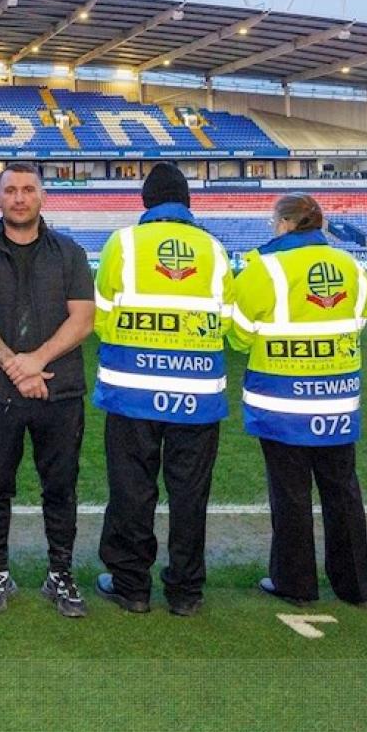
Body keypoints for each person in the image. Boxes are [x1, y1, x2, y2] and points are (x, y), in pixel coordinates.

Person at [0, 162, 96, 618]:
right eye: (10, 190)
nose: (19, 198)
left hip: (60, 391)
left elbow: (83, 318)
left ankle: (61, 574)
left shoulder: (71, 253)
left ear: (42, 196)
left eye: (27, 189)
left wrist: (35, 361)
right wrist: (17, 368)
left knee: (61, 486)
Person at [92, 162, 232, 617]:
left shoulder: (124, 244)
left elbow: (102, 315)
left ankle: (132, 586)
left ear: (145, 202)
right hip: (197, 392)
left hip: (133, 390)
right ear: (187, 201)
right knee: (190, 493)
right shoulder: (214, 249)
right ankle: (186, 591)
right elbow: (225, 321)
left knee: (133, 489)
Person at [229, 192, 367, 607]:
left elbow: (238, 333)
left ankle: (295, 582)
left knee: (290, 493)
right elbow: (361, 315)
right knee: (343, 489)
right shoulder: (351, 266)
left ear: (284, 223)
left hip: (282, 400)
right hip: (336, 397)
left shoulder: (265, 269)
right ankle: (355, 586)